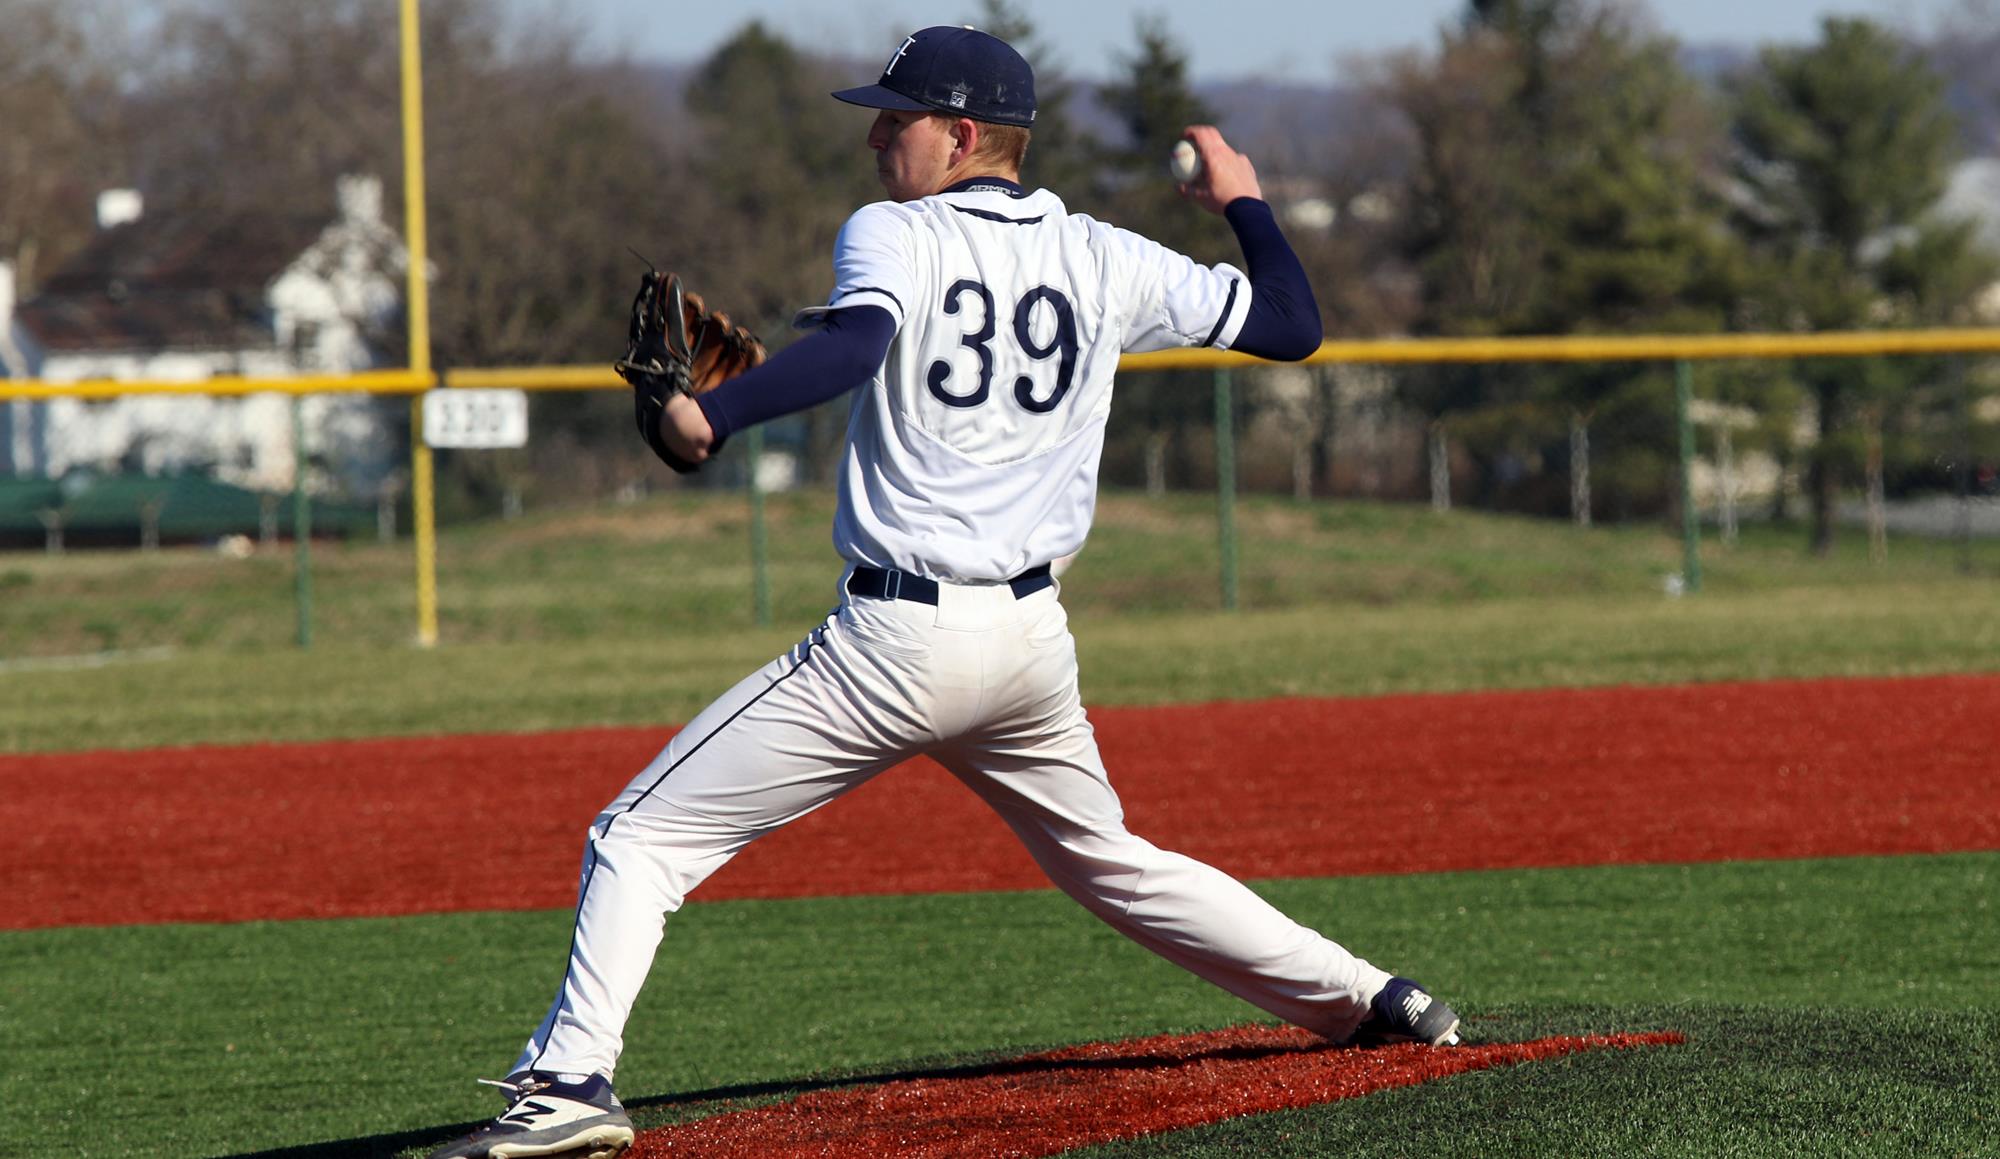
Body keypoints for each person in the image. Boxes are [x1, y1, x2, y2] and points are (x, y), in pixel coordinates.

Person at [428, 25, 1459, 1159]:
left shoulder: (895, 231)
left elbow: (856, 347)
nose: (876, 134)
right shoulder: (1105, 255)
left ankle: (571, 1079)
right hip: (1025, 644)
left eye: (897, 115)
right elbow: (1290, 326)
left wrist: (708, 415)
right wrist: (1244, 201)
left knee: (639, 837)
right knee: (1110, 862)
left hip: (894, 643)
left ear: (962, 135)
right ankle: (1371, 998)